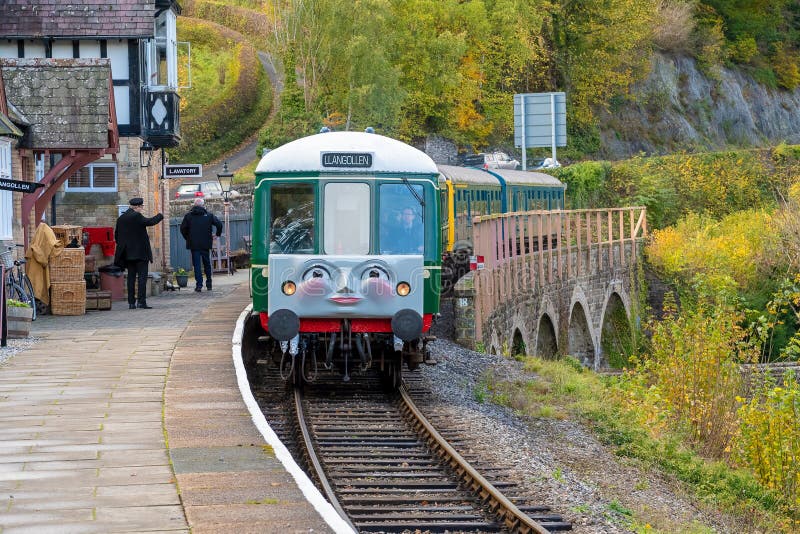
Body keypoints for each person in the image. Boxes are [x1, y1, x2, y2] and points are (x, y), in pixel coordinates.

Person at [114, 197, 164, 309]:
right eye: (141, 207)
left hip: (128, 254)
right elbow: (149, 222)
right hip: (141, 254)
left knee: (131, 278)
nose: (142, 209)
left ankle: (131, 303)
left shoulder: (121, 219)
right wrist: (160, 215)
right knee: (142, 278)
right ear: (136, 207)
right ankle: (141, 302)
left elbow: (117, 236)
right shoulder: (136, 216)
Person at [180, 197, 223, 292]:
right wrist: (217, 234)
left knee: (197, 265)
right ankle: (209, 284)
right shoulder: (208, 215)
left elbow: (182, 229)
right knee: (207, 264)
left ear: (194, 205)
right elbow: (219, 224)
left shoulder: (188, 216)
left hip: (194, 245)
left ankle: (199, 285)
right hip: (205, 244)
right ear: (203, 205)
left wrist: (188, 238)